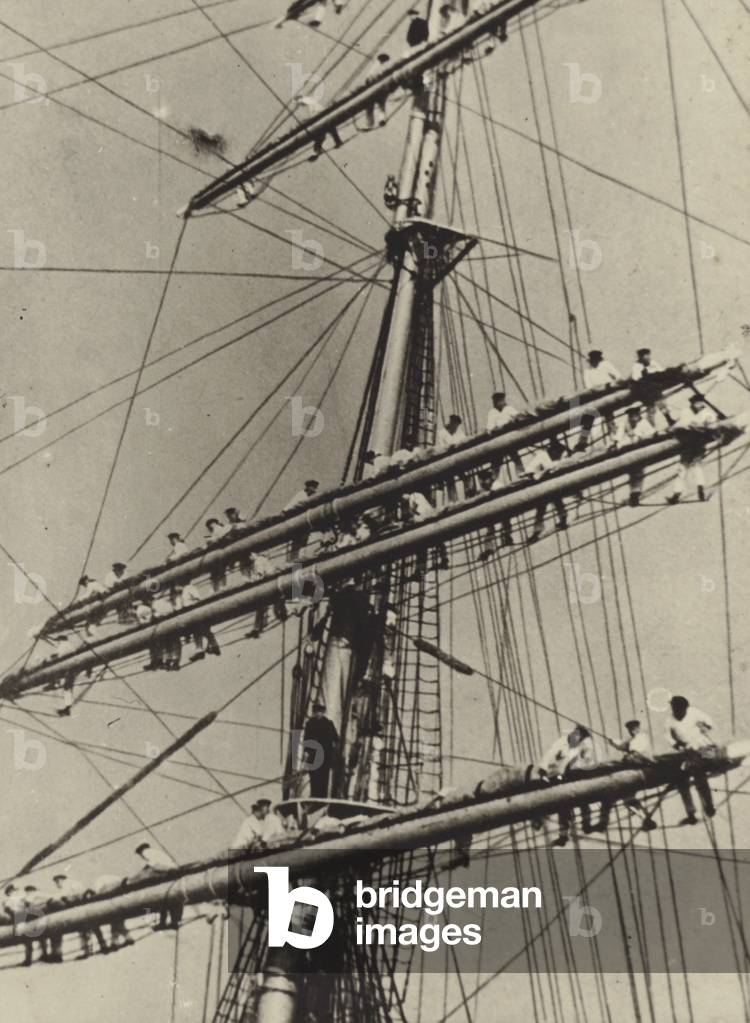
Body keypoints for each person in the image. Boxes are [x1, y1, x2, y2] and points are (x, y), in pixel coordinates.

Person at [536, 724, 598, 845]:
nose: (577, 738)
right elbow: (549, 755)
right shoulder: (561, 742)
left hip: (569, 777)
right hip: (555, 776)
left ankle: (586, 825)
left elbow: (587, 757)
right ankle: (563, 835)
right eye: (576, 734)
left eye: (580, 737)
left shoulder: (579, 747)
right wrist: (543, 769)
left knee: (583, 800)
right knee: (562, 806)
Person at [594, 720, 657, 832]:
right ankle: (603, 822)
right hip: (630, 770)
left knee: (624, 798)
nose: (632, 731)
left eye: (633, 728)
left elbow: (634, 751)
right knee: (616, 798)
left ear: (638, 727)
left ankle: (603, 822)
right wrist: (613, 742)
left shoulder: (641, 737)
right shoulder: (632, 740)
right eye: (630, 729)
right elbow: (623, 745)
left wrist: (627, 752)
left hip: (637, 770)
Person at [665, 695, 717, 824]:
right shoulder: (669, 720)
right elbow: (667, 735)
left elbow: (708, 721)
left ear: (685, 708)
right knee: (681, 780)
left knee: (700, 776)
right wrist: (676, 744)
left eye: (679, 709)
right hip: (686, 749)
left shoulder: (693, 712)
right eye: (674, 708)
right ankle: (691, 812)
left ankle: (708, 806)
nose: (676, 711)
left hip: (702, 746)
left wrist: (706, 727)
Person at [667, 393, 716, 504]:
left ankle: (692, 491)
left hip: (695, 441)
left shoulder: (707, 413)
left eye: (701, 401)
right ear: (693, 403)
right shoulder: (686, 411)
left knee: (688, 466)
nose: (700, 404)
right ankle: (683, 493)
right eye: (697, 402)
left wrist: (695, 426)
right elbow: (681, 423)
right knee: (688, 467)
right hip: (690, 441)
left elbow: (712, 425)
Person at [50, 874, 109, 960]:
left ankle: (88, 951)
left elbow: (65, 896)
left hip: (80, 909)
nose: (57, 885)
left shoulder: (66, 885)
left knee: (84, 931)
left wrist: (57, 900)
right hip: (88, 906)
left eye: (57, 882)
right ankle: (104, 947)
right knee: (96, 928)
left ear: (60, 880)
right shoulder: (75, 882)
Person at [526, 436, 568, 542]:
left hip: (552, 483)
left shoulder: (557, 457)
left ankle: (562, 519)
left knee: (553, 503)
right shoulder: (545, 455)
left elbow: (558, 465)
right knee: (543, 507)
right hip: (544, 484)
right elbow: (531, 470)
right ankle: (537, 531)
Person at [132, 843, 182, 929]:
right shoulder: (156, 852)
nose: (141, 856)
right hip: (172, 872)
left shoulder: (146, 852)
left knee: (161, 899)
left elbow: (154, 865)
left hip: (167, 872)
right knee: (171, 898)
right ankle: (174, 921)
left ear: (140, 851)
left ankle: (163, 923)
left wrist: (139, 876)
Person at [616, 405, 655, 506]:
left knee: (638, 473)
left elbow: (651, 434)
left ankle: (635, 494)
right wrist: (617, 444)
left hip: (639, 449)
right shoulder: (624, 424)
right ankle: (634, 492)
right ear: (629, 416)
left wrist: (642, 438)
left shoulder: (643, 423)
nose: (633, 418)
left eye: (635, 415)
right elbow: (618, 437)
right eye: (631, 416)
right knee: (633, 473)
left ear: (638, 415)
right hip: (626, 449)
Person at [244, 552, 288, 637]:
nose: (248, 560)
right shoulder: (259, 560)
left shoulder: (258, 562)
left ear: (252, 554)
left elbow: (258, 576)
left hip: (270, 584)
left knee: (265, 606)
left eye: (249, 557)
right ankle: (257, 628)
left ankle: (258, 627)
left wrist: (250, 582)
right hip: (271, 583)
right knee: (263, 606)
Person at [303, 701, 340, 798]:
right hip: (313, 756)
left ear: (323, 712)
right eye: (316, 712)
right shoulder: (310, 724)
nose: (318, 714)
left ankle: (322, 798)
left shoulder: (328, 724)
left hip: (325, 755)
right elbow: (306, 739)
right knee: (314, 778)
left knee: (324, 778)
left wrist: (334, 755)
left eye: (320, 711)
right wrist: (306, 753)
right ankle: (314, 796)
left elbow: (336, 740)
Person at [583, 349, 621, 439]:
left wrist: (612, 385)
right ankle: (612, 434)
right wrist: (597, 390)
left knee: (609, 414)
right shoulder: (587, 371)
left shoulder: (605, 364)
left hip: (609, 391)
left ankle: (614, 434)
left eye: (596, 358)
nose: (595, 361)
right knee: (602, 415)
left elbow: (618, 375)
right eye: (593, 359)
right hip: (597, 395)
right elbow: (588, 386)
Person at [486, 392, 524, 478]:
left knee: (516, 457)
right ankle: (494, 480)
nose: (502, 402)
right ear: (496, 402)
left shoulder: (508, 409)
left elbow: (517, 416)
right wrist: (499, 428)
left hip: (509, 436)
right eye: (500, 401)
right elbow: (490, 429)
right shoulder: (492, 412)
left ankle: (522, 474)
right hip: (499, 439)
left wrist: (512, 421)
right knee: (496, 462)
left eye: (503, 400)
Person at [631, 347, 671, 426]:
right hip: (645, 390)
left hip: (654, 387)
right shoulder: (637, 366)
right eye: (644, 356)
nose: (647, 357)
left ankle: (669, 419)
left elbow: (661, 371)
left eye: (648, 355)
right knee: (651, 409)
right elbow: (636, 378)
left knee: (662, 404)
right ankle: (651, 426)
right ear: (640, 357)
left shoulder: (653, 362)